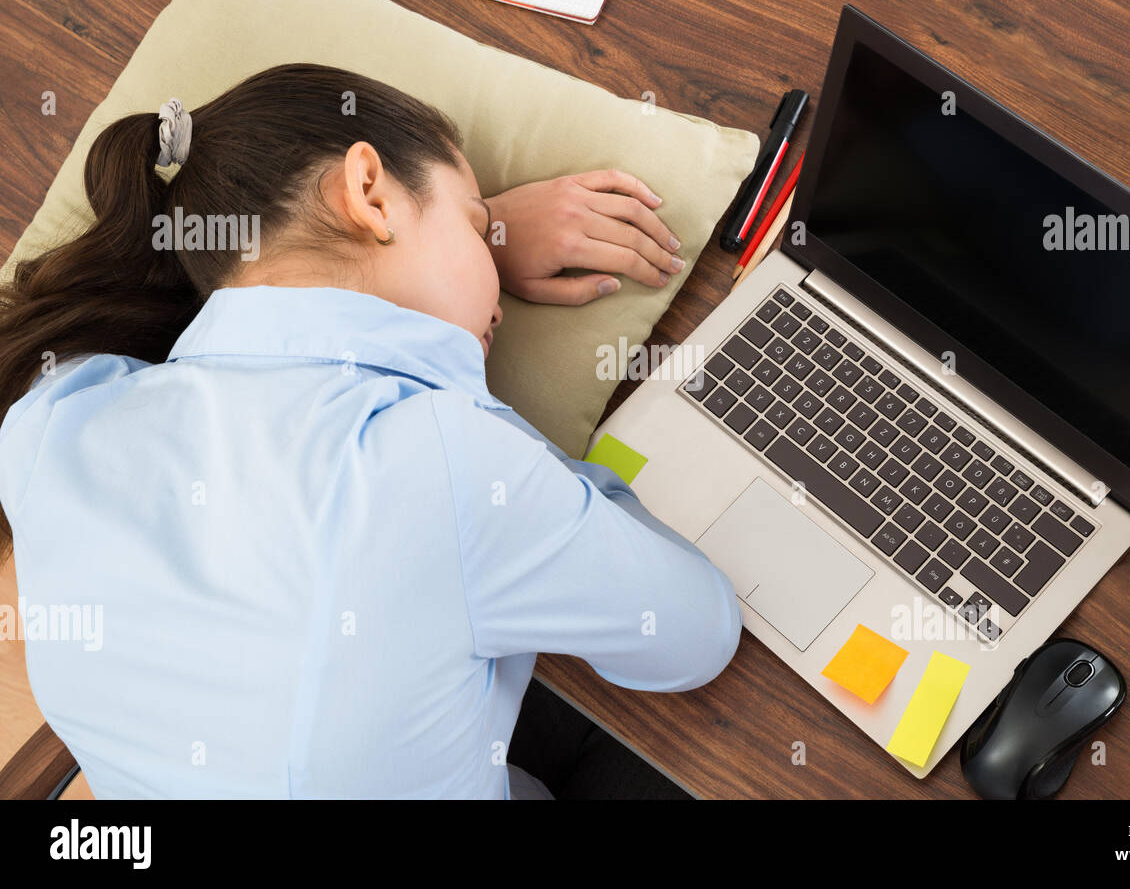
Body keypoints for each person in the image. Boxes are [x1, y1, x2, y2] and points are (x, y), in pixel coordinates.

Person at [0, 63, 741, 798]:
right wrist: (458, 327)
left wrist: (449, 250)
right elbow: (697, 632)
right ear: (369, 191)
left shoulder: (49, 419)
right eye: (480, 226)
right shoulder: (445, 457)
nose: (502, 299)